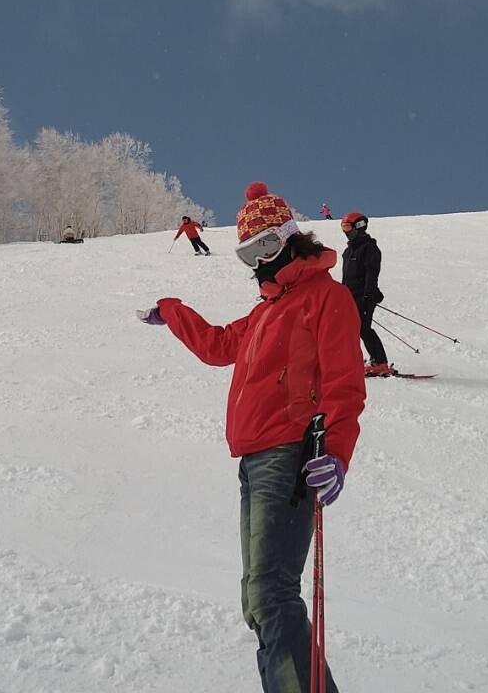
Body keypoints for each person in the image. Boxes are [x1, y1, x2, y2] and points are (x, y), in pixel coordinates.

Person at [137, 181, 364, 693]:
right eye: (247, 253)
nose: (258, 261)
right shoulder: (266, 310)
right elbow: (218, 347)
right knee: (260, 596)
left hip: (288, 456)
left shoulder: (326, 298)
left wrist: (337, 451)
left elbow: (344, 384)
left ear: (289, 237)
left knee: (270, 594)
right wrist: (174, 311)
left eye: (266, 245)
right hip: (254, 461)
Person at [340, 212, 393, 377]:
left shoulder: (369, 248)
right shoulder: (348, 251)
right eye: (343, 227)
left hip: (364, 296)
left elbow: (372, 273)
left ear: (359, 227)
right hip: (350, 296)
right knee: (351, 329)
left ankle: (380, 362)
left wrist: (368, 296)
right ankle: (362, 360)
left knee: (363, 328)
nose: (345, 231)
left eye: (348, 227)